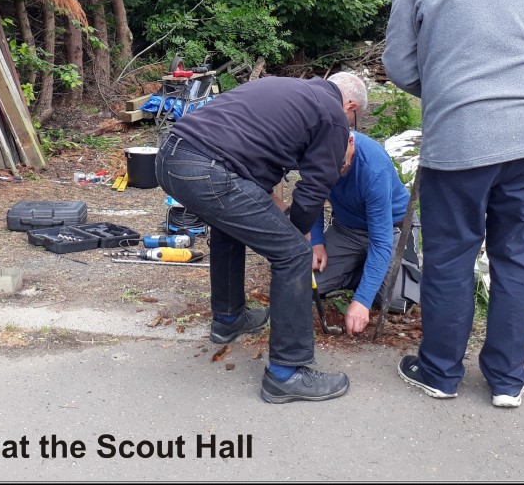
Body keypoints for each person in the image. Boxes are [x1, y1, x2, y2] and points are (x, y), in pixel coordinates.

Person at [382, 0, 524, 409]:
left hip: (461, 138)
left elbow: (398, 65)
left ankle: (441, 373)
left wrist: (447, 90)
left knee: (451, 257)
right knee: (519, 258)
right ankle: (508, 380)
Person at [154, 71, 367, 404]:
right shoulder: (333, 115)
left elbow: (250, 149)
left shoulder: (287, 87)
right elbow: (313, 190)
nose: (350, 127)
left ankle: (229, 320)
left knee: (229, 224)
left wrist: (280, 220)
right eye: (355, 119)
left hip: (171, 156)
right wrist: (294, 236)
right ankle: (287, 372)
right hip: (206, 168)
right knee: (294, 255)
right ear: (350, 104)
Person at [312, 129, 414, 335]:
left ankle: (375, 271)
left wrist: (362, 301)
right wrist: (316, 242)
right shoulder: (313, 149)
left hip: (392, 229)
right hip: (347, 229)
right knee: (308, 284)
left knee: (395, 301)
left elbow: (381, 241)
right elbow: (312, 197)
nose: (338, 173)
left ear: (351, 140)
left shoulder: (374, 169)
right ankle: (361, 271)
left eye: (341, 166)